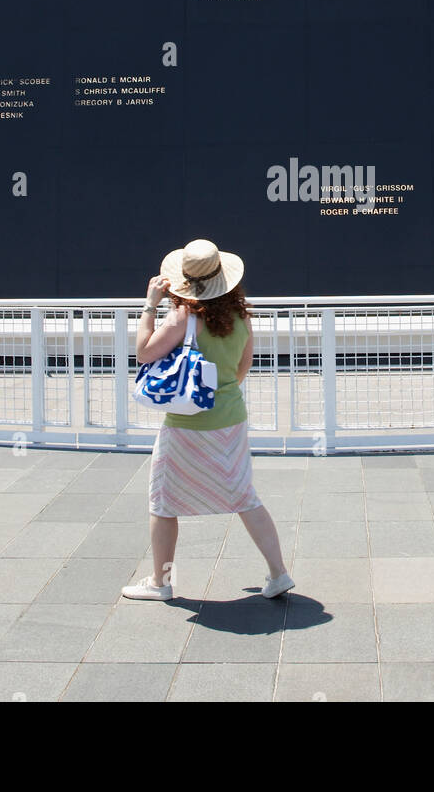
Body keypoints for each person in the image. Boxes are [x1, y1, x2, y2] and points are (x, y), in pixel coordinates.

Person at [121, 239, 294, 601]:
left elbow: (142, 353)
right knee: (245, 497)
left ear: (185, 281)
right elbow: (241, 368)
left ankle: (160, 582)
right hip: (231, 417)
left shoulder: (185, 317)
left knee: (163, 502)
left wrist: (150, 305)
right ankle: (278, 574)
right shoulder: (242, 315)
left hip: (186, 424)